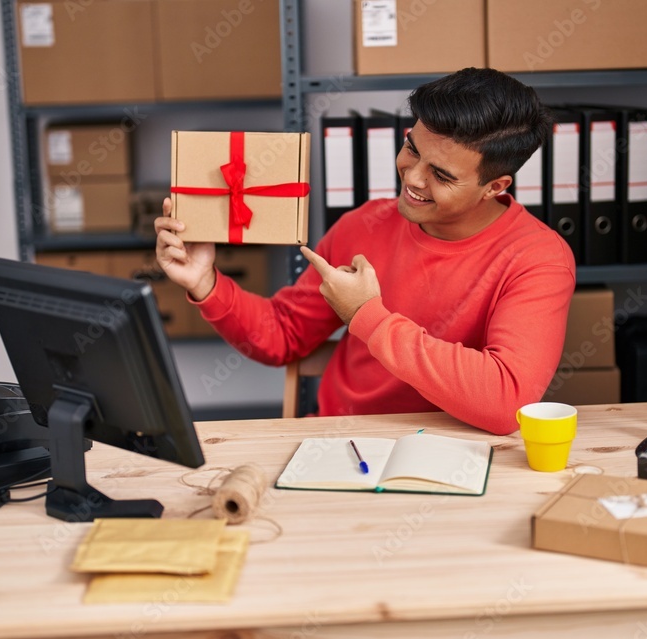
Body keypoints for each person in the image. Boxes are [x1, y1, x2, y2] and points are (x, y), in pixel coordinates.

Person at [155, 67, 575, 435]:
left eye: (441, 175)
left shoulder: (538, 258)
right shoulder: (365, 223)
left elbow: (506, 402)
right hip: (342, 439)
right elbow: (282, 338)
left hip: (460, 450)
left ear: (495, 187)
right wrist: (205, 282)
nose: (411, 177)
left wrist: (367, 317)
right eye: (412, 148)